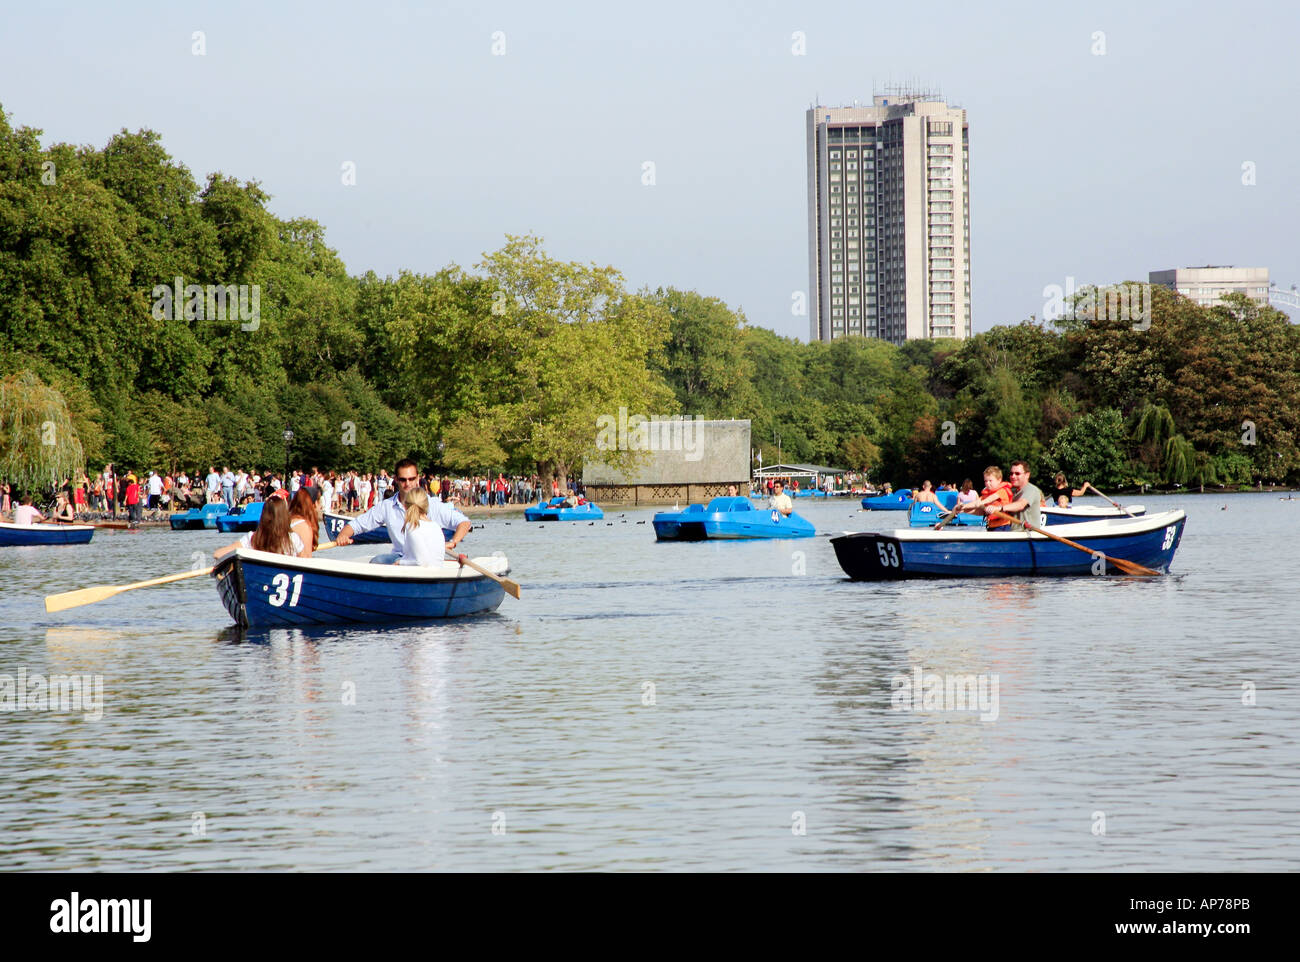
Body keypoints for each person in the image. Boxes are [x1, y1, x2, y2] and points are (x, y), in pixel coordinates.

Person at [333, 458, 471, 564]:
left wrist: (453, 542)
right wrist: (343, 535)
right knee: (377, 561)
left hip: (426, 557)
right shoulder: (386, 506)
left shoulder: (432, 504)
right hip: (401, 556)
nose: (408, 484)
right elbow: (356, 525)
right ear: (396, 480)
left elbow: (464, 522)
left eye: (411, 479)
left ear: (418, 478)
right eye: (403, 480)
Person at [214, 497, 305, 559]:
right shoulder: (293, 539)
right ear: (284, 516)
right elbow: (305, 562)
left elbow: (218, 554)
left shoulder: (252, 538)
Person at [397, 488, 448, 566]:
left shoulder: (412, 526)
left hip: (422, 573)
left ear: (405, 506)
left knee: (378, 560)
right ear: (426, 505)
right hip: (437, 571)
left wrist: (399, 563)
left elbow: (421, 561)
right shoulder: (436, 526)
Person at [958, 465, 1014, 531]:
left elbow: (991, 498)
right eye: (985, 481)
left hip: (1003, 526)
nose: (987, 483)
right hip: (991, 525)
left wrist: (982, 502)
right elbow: (976, 502)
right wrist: (964, 507)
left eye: (990, 480)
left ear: (999, 480)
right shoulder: (987, 494)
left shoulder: (1002, 491)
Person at [999, 461, 1045, 531]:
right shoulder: (1010, 491)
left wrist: (1000, 508)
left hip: (1027, 533)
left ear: (1027, 475)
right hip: (1011, 533)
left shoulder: (1032, 490)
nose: (1013, 476)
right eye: (1011, 474)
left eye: (1017, 474)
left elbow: (1021, 505)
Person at [288, 485, 322, 558]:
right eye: (320, 502)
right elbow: (305, 560)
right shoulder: (304, 527)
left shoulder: (288, 520)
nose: (321, 506)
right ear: (315, 504)